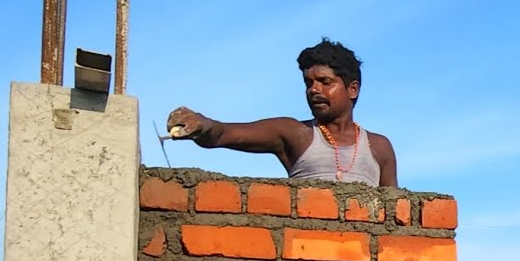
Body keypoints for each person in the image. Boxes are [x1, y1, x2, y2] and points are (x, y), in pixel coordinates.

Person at [165, 38, 398, 187]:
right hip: (304, 252)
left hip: (359, 260)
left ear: (352, 89)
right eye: (309, 83)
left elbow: (394, 217)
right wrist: (202, 124)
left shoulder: (378, 147)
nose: (314, 89)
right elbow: (224, 133)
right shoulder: (296, 133)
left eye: (325, 81)